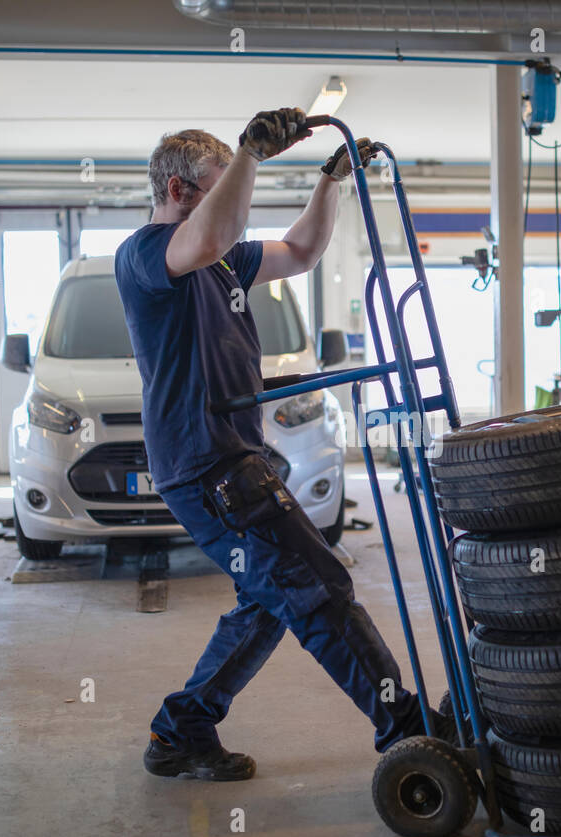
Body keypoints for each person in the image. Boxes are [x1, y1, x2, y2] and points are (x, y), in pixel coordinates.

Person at [115, 109, 449, 782]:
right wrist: (250, 154)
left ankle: (182, 729)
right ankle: (406, 728)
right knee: (319, 587)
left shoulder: (217, 259)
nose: (235, 204)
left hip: (233, 457)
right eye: (218, 188)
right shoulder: (150, 254)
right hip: (205, 463)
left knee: (270, 599)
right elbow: (214, 236)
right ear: (178, 192)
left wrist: (331, 182)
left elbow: (300, 252)